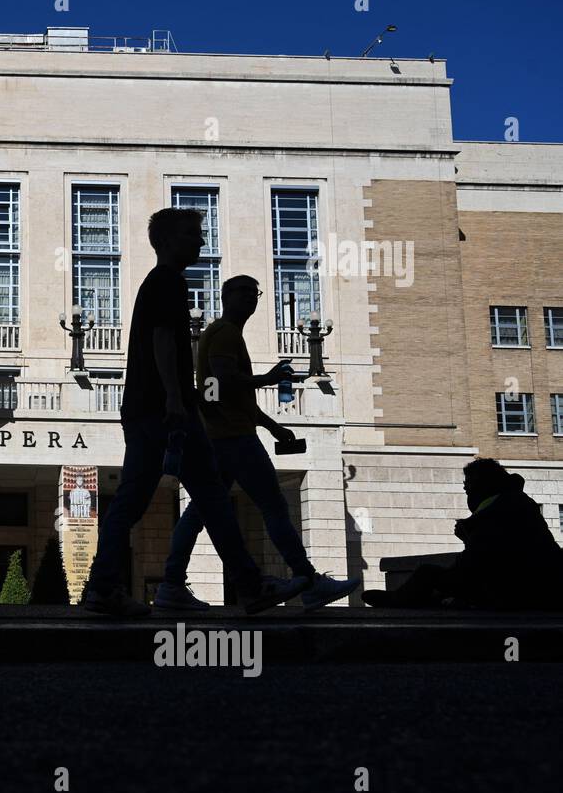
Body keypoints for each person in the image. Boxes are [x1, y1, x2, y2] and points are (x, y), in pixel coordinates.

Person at [80, 209, 307, 617]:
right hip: (165, 412)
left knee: (144, 501)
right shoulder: (168, 281)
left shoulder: (157, 282)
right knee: (208, 498)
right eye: (192, 235)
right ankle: (249, 586)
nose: (200, 242)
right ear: (167, 240)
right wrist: (174, 400)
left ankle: (103, 588)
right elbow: (164, 340)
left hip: (147, 409)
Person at [158, 275, 361, 611]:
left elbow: (221, 393)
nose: (252, 299)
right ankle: (309, 581)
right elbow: (226, 380)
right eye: (246, 293)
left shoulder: (215, 334)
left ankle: (171, 582)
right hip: (235, 439)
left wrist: (272, 426)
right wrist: (268, 379)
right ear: (227, 296)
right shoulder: (224, 333)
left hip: (220, 435)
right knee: (273, 505)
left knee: (198, 512)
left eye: (256, 293)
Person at [363, 458, 563, 609]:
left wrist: (468, 538)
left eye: (468, 482)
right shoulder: (511, 502)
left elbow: (482, 560)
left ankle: (399, 600)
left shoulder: (496, 511)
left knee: (427, 573)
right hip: (536, 586)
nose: (464, 486)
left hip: (521, 590)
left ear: (481, 483)